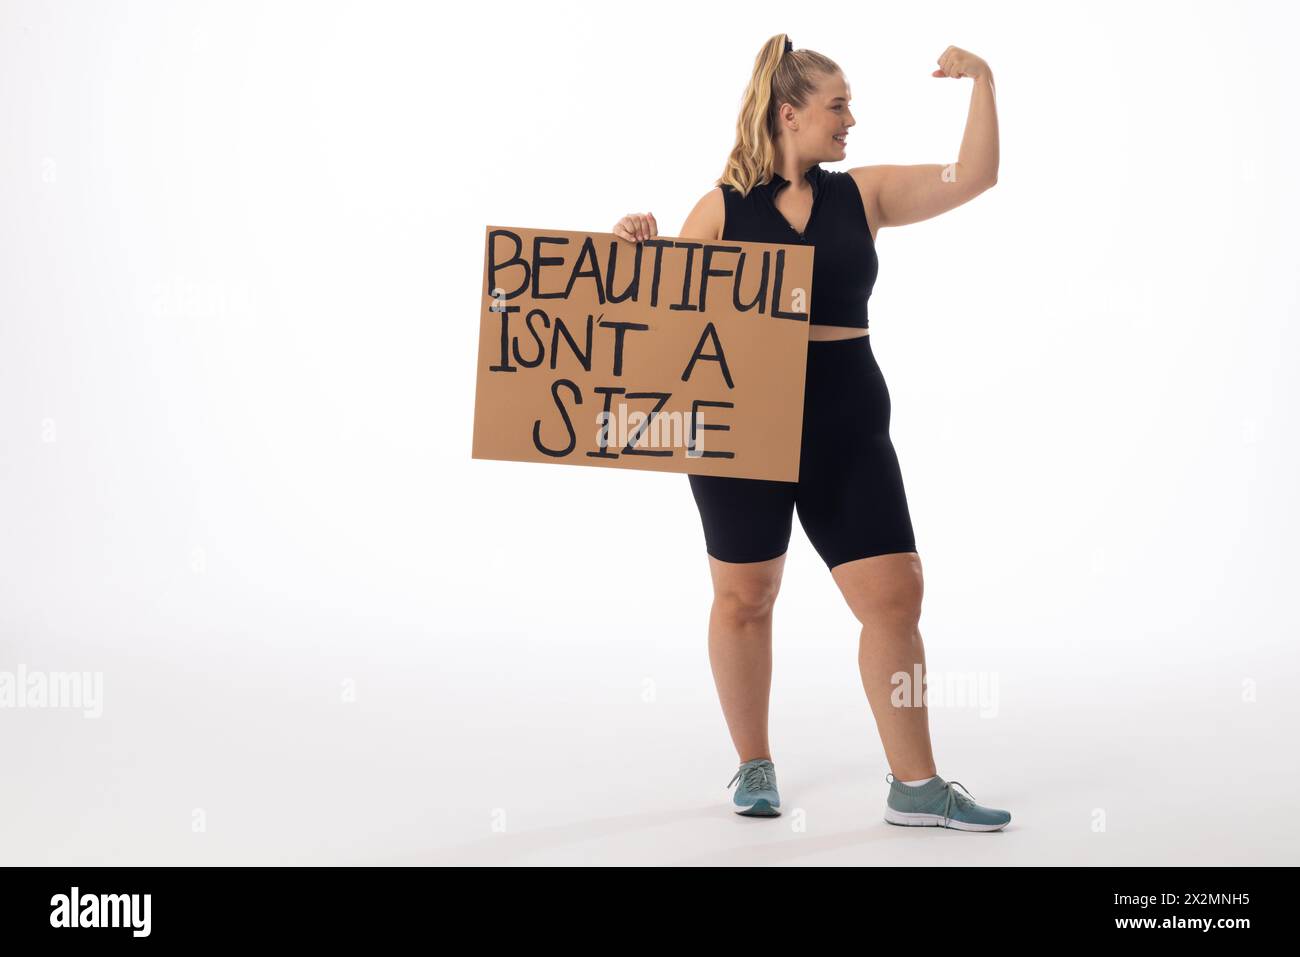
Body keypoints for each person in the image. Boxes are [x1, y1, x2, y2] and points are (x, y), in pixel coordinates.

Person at [612, 35, 1009, 830]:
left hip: (845, 418)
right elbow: (662, 322)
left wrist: (984, 82)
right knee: (746, 595)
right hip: (742, 422)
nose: (851, 119)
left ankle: (916, 784)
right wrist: (638, 254)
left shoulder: (862, 195)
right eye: (839, 106)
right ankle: (753, 765)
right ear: (789, 114)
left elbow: (975, 177)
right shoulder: (720, 209)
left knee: (895, 596)